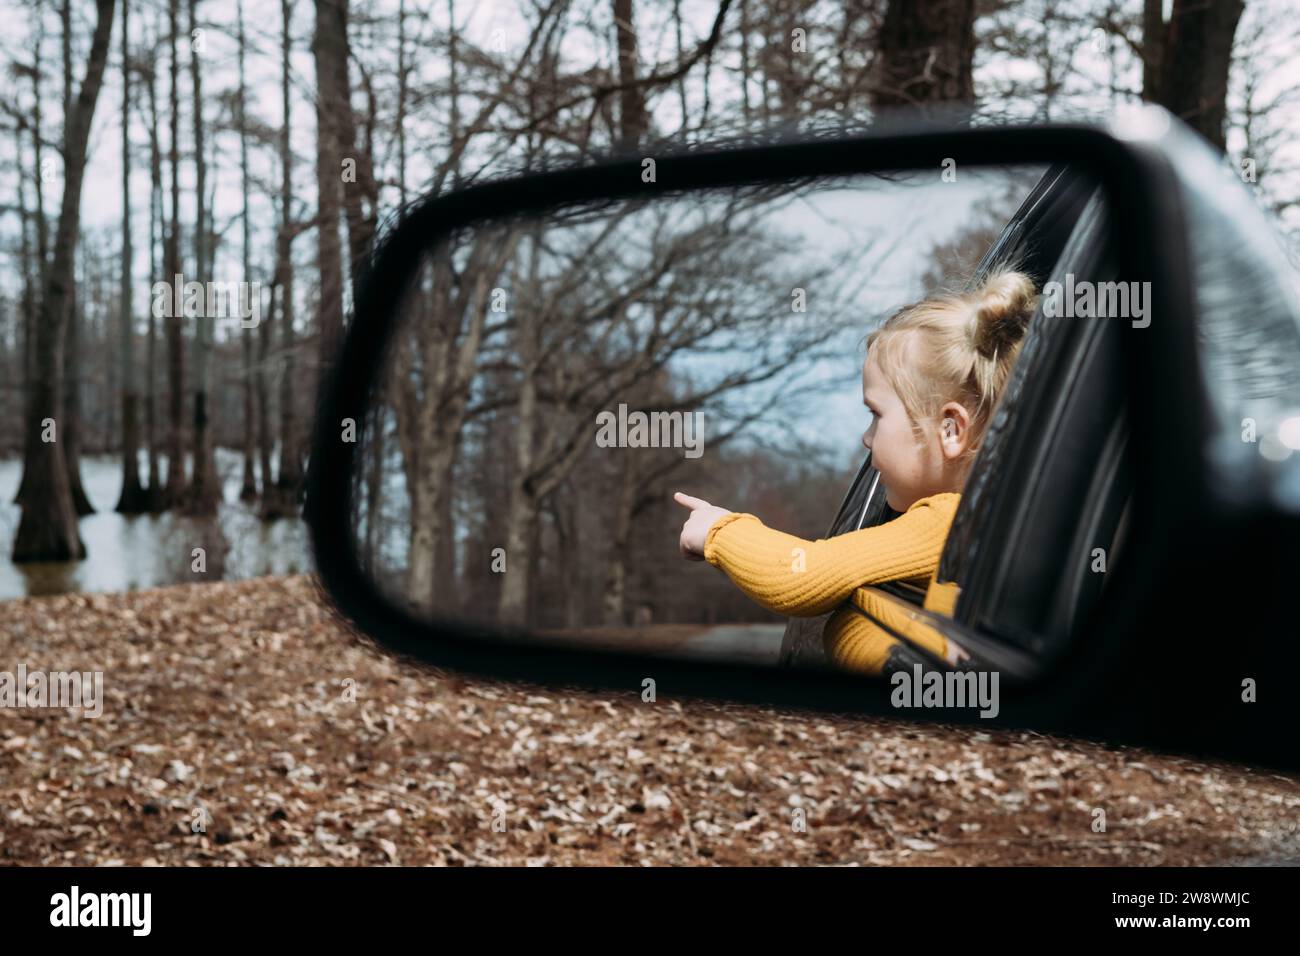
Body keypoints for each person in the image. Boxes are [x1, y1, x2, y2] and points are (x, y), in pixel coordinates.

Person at [675, 269, 1037, 674]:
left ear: (950, 429)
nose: (866, 439)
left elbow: (804, 574)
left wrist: (717, 531)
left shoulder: (947, 520)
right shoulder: (997, 521)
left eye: (875, 415)